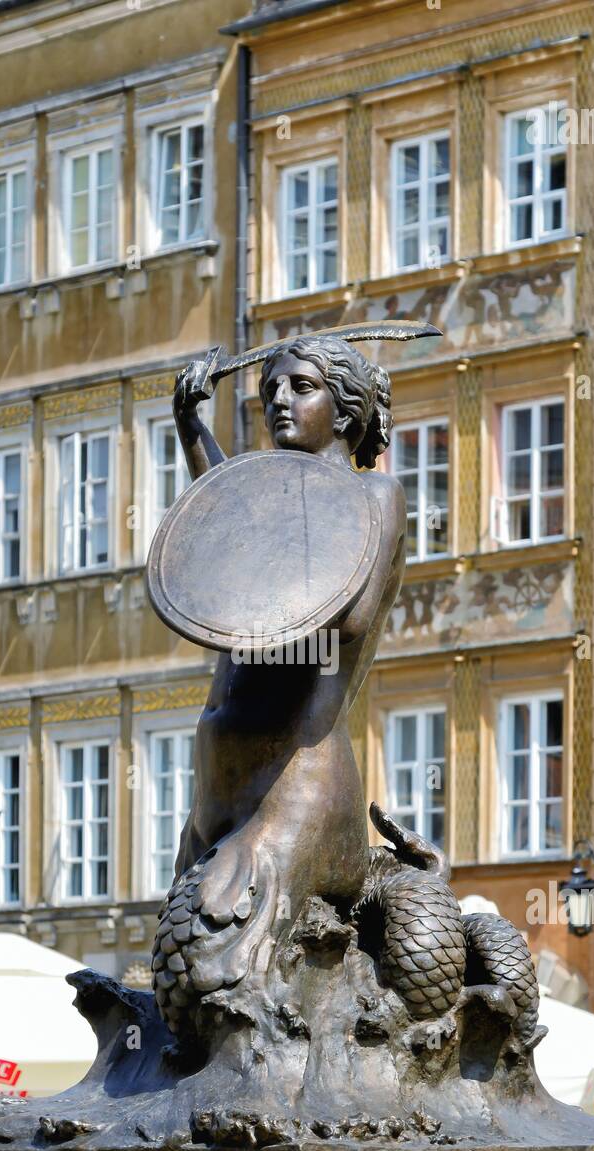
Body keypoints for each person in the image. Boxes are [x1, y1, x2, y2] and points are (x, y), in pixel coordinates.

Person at [153, 336, 407, 1040]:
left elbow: (347, 618)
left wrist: (250, 582)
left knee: (224, 973)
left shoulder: (373, 495)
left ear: (348, 409)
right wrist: (190, 427)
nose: (279, 403)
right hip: (219, 774)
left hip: (296, 773)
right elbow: (223, 522)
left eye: (301, 388)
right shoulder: (268, 498)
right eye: (270, 392)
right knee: (174, 1002)